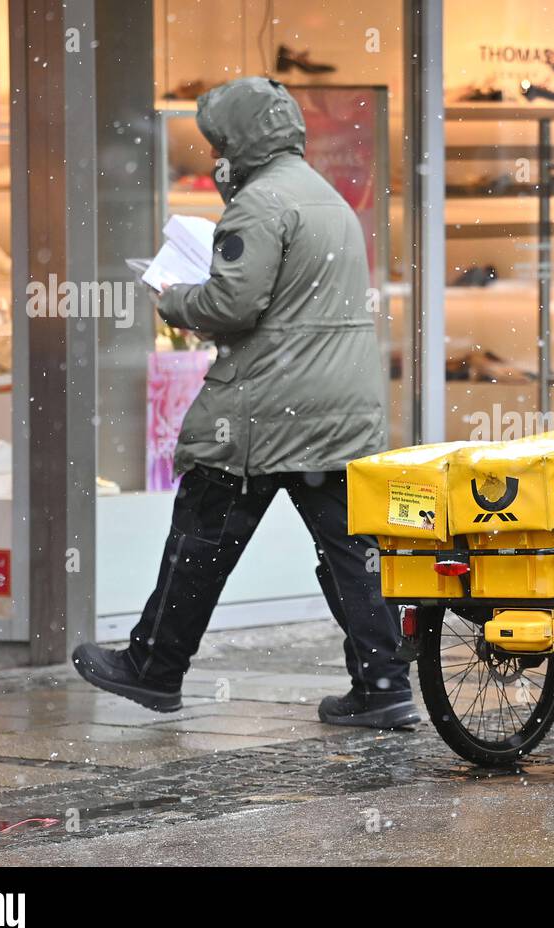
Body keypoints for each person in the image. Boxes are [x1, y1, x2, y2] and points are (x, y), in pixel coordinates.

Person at [72, 77, 417, 730]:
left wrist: (172, 295)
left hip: (263, 414)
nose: (213, 155)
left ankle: (155, 667)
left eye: (218, 142)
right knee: (352, 551)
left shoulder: (262, 204)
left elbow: (231, 305)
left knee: (200, 536)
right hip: (339, 410)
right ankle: (383, 682)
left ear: (240, 141)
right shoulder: (328, 200)